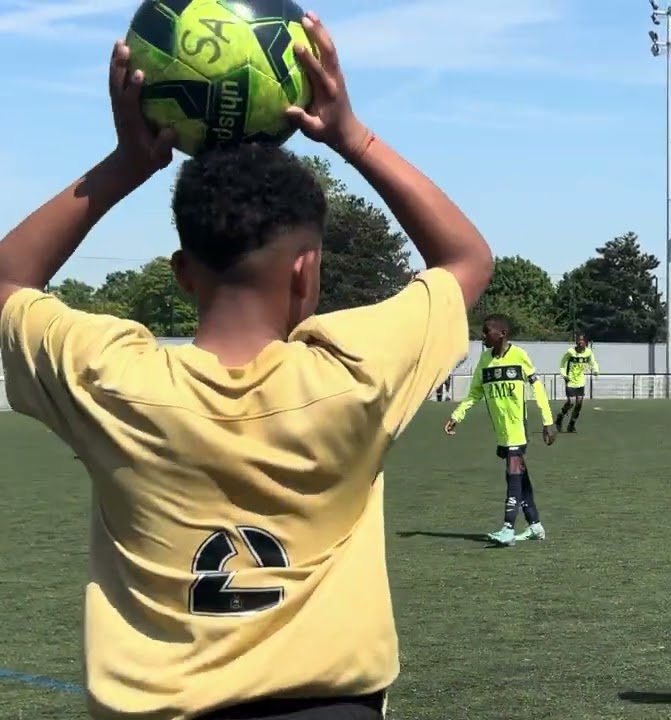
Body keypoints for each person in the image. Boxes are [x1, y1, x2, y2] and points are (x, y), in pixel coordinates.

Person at [0, 15, 492, 720]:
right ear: (306, 271)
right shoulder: (355, 371)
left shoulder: (113, 381)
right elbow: (465, 258)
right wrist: (351, 136)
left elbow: (8, 281)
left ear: (181, 272)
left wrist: (127, 165)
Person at [445, 314, 556, 545]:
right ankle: (535, 525)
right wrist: (457, 415)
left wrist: (547, 420)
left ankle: (508, 529)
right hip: (501, 431)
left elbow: (537, 388)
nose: (483, 336)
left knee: (512, 472)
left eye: (487, 332)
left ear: (502, 334)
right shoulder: (485, 360)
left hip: (517, 428)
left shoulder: (519, 356)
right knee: (520, 476)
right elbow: (475, 392)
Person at [555, 333, 599, 432]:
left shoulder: (588, 352)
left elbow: (593, 362)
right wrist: (564, 375)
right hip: (570, 379)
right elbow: (562, 363)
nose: (580, 343)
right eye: (578, 341)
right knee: (571, 402)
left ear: (585, 343)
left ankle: (571, 424)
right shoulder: (570, 352)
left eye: (582, 342)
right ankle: (560, 417)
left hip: (580, 380)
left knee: (579, 403)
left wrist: (595, 370)